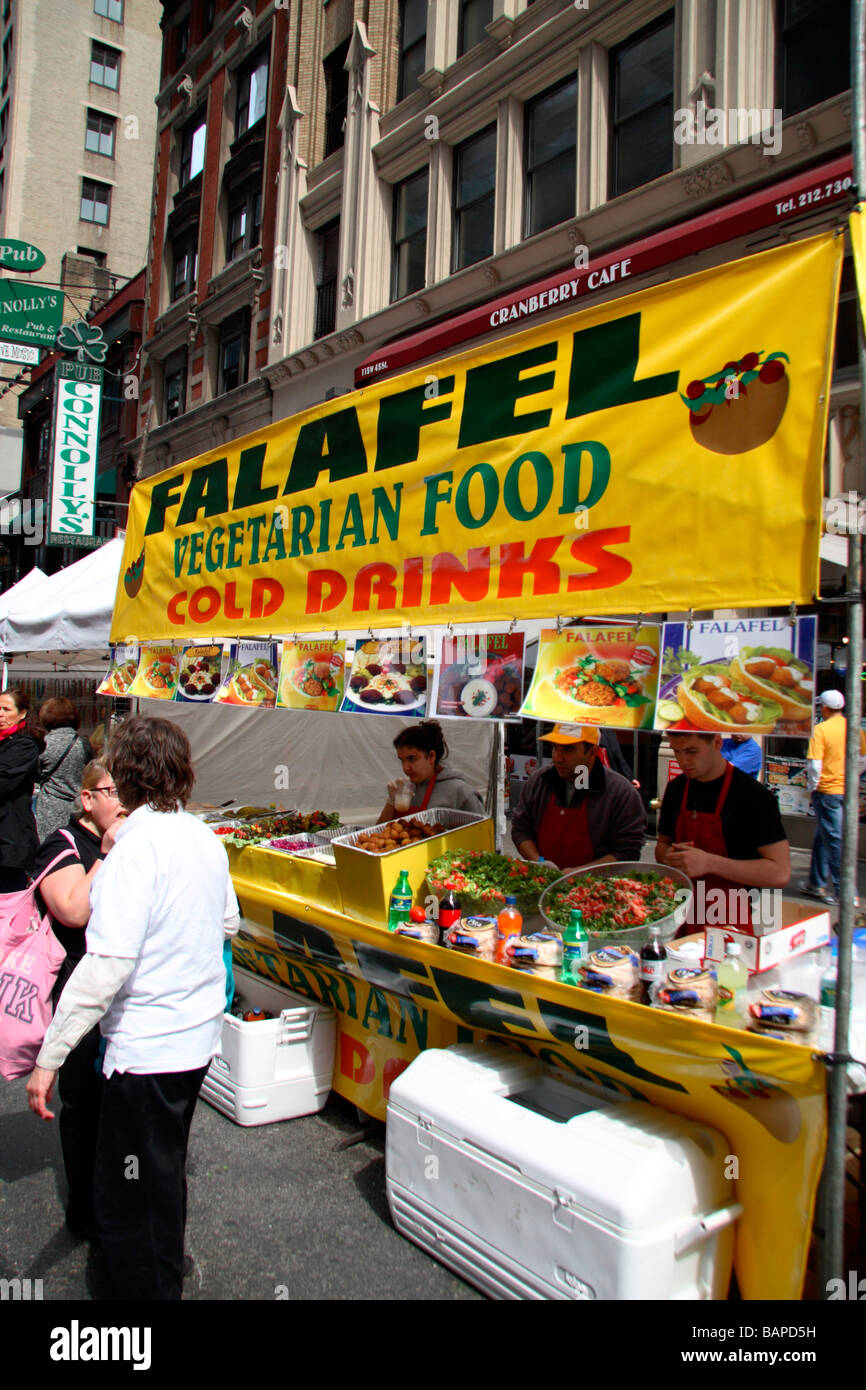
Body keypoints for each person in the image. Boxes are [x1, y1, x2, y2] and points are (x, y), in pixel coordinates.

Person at [26, 716, 240, 1301]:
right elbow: (228, 921)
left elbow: (107, 965)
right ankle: (162, 1264)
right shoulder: (202, 836)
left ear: (125, 775)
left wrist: (50, 1055)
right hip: (194, 1039)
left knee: (133, 1188)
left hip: (150, 1046)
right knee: (160, 1169)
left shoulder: (135, 848)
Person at [30, 760, 126, 1239]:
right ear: (87, 799)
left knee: (118, 1101)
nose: (124, 802)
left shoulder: (129, 840)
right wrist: (105, 856)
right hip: (75, 986)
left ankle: (115, 1196)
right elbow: (71, 911)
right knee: (83, 1103)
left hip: (116, 989)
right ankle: (85, 1210)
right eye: (114, 792)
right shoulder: (62, 844)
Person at [656, 731, 789, 927]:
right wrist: (669, 856)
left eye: (692, 751)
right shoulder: (676, 789)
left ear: (717, 743)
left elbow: (780, 873)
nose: (682, 761)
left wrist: (709, 863)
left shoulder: (754, 797)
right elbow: (662, 844)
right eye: (676, 751)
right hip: (681, 913)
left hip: (734, 923)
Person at [512, 723, 646, 871]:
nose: (558, 758)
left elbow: (627, 851)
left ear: (593, 752)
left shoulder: (621, 793)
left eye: (568, 749)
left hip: (596, 888)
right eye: (555, 747)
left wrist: (578, 873)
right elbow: (521, 829)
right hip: (544, 881)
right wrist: (540, 861)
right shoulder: (539, 781)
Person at [798, 690, 866, 904]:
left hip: (827, 792)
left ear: (824, 708)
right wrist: (850, 777)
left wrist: (813, 788)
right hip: (846, 791)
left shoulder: (820, 730)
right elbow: (863, 759)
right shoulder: (855, 729)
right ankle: (815, 883)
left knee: (833, 840)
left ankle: (844, 891)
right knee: (824, 836)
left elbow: (815, 765)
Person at [379, 720, 485, 820]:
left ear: (431, 756)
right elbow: (378, 835)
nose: (405, 767)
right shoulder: (405, 790)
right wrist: (392, 801)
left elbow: (483, 832)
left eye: (412, 759)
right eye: (402, 760)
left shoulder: (461, 792)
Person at [0, 686, 42, 892]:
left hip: (10, 841)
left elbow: (4, 781)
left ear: (22, 713)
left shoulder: (25, 746)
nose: (0, 714)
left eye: (6, 709)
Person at [35, 697, 90, 841]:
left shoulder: (44, 744)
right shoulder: (83, 743)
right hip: (77, 806)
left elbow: (36, 773)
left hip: (49, 806)